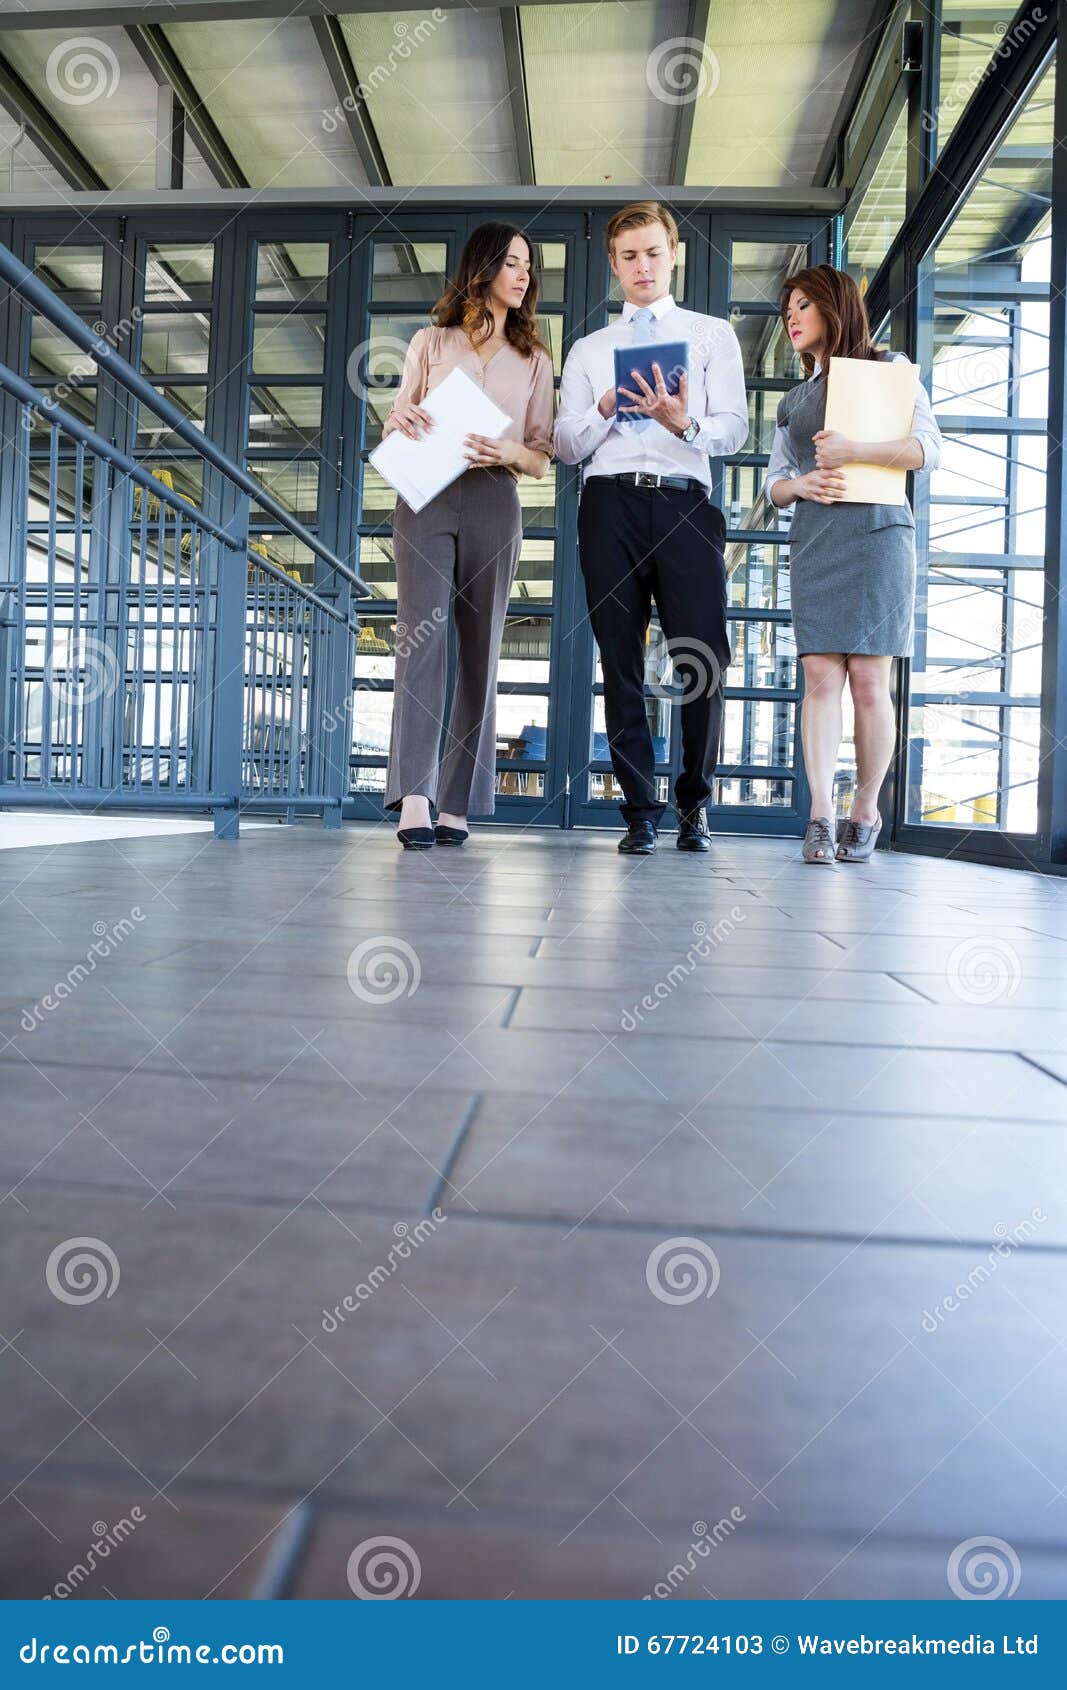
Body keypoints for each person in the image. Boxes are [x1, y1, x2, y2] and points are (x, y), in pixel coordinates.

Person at [554, 201, 747, 855]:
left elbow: (734, 428)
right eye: (629, 256)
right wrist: (606, 406)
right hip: (609, 506)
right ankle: (639, 809)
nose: (642, 266)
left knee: (702, 656)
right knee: (620, 658)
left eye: (653, 253)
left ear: (674, 255)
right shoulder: (589, 349)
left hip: (685, 504)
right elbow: (563, 444)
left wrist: (681, 422)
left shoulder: (712, 335)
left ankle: (694, 803)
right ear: (613, 265)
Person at [382, 224, 554, 848]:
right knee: (419, 643)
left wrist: (510, 448)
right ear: (482, 270)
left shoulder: (535, 357)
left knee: (480, 651)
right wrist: (396, 415)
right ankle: (416, 796)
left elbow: (541, 455)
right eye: (512, 263)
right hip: (425, 495)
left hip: (493, 499)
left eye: (528, 266)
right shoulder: (431, 342)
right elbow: (401, 417)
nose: (523, 274)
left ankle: (459, 799)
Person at [766, 264, 942, 864]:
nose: (791, 316)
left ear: (835, 308)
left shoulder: (888, 373)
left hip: (878, 536)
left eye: (802, 306)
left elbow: (927, 449)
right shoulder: (793, 402)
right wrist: (802, 484)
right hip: (819, 538)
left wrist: (855, 451)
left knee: (869, 681)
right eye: (787, 308)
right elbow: (774, 487)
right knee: (820, 678)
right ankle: (820, 813)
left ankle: (865, 808)